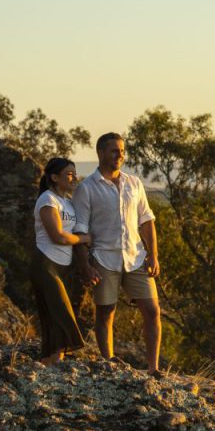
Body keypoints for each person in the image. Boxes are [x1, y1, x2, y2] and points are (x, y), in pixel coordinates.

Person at [69, 131, 162, 369]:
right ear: (100, 153)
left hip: (136, 257)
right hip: (104, 258)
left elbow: (146, 220)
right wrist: (85, 266)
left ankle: (153, 369)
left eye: (122, 150)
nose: (119, 155)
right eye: (114, 150)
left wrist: (154, 255)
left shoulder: (134, 183)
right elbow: (80, 230)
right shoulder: (86, 188)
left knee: (152, 311)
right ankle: (108, 363)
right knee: (106, 312)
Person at [31, 156, 89, 360]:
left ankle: (54, 358)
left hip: (63, 266)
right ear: (54, 177)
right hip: (46, 263)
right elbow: (57, 236)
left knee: (54, 314)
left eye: (75, 173)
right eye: (69, 174)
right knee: (60, 311)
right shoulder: (48, 200)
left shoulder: (69, 203)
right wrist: (83, 238)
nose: (74, 178)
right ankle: (54, 359)